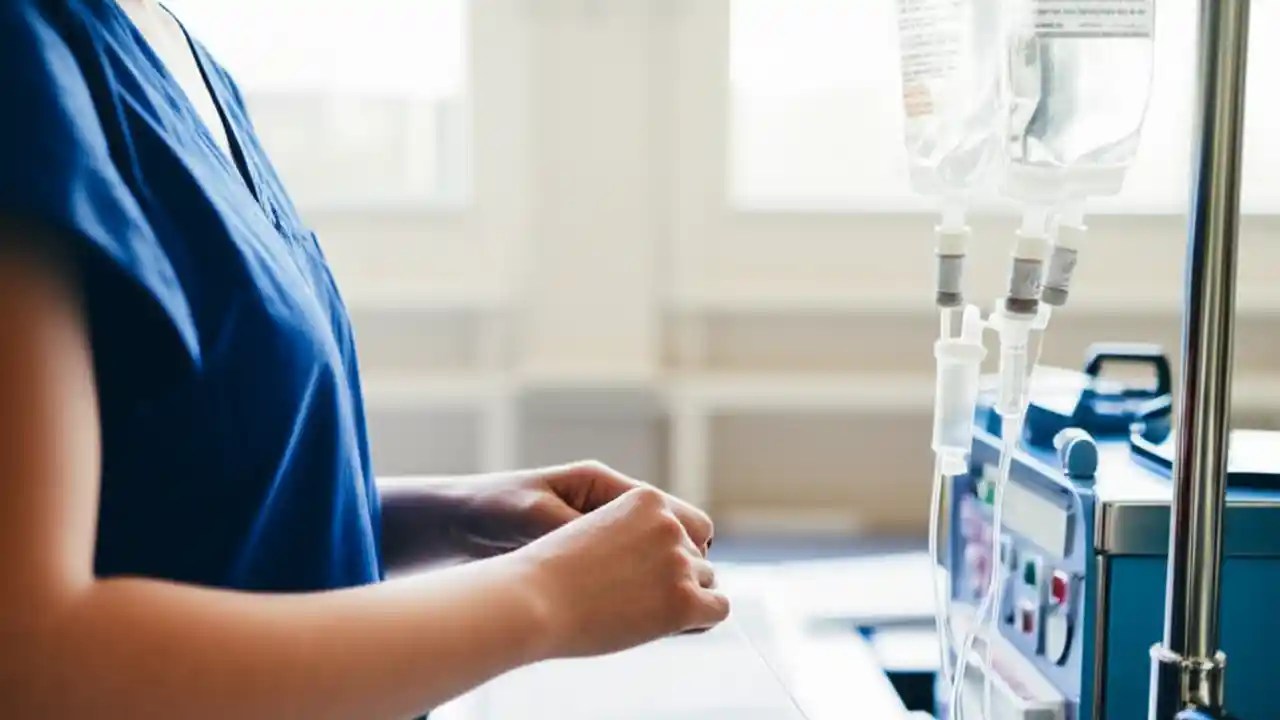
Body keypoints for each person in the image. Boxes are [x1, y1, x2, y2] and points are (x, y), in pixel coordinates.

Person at [0, 1, 729, 717]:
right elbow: (33, 657)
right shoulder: (24, 53)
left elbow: (178, 507)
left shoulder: (176, 56)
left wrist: (453, 516)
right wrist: (546, 594)